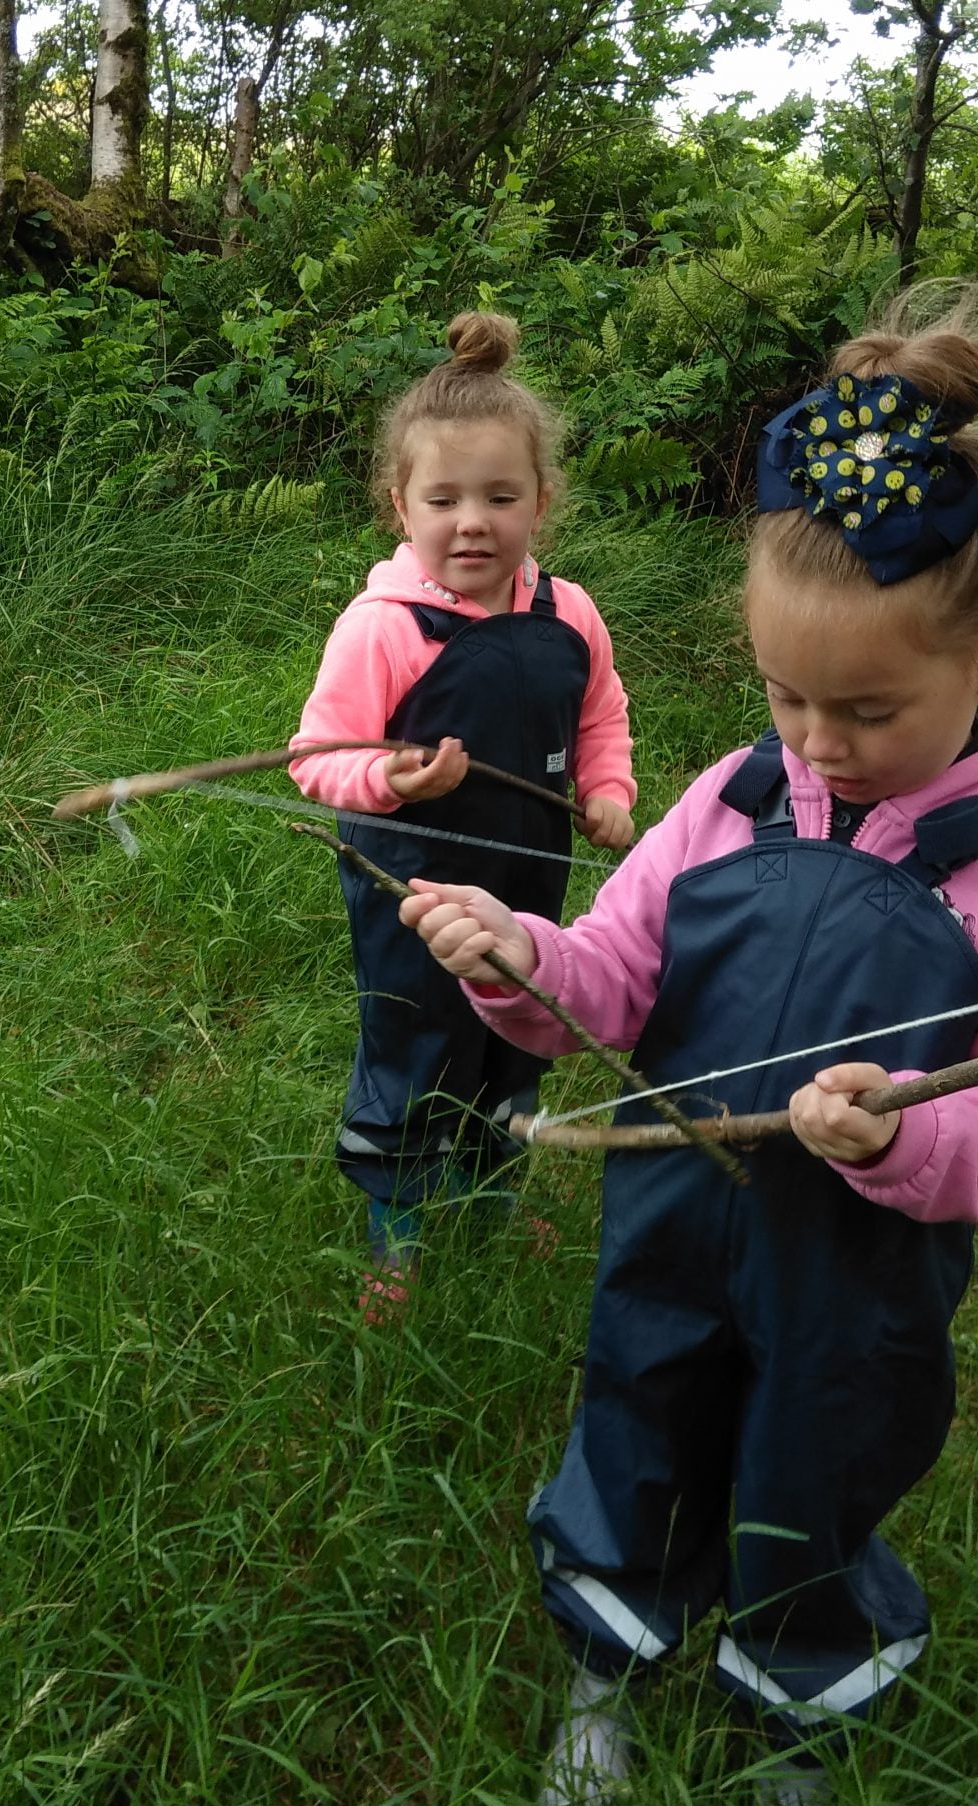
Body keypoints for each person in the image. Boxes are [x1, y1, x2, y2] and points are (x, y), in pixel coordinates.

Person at [400, 295, 978, 1806]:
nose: (821, 742)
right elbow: (616, 972)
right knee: (637, 1426)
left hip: (852, 1271)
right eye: (789, 697)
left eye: (868, 710)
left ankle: (795, 1703)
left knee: (814, 1470)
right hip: (668, 1228)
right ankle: (608, 1671)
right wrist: (527, 959)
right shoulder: (734, 798)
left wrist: (900, 1140)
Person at [291, 311, 638, 1324]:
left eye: (500, 496)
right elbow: (320, 760)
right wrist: (389, 783)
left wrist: (605, 792)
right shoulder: (383, 630)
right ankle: (395, 1223)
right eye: (443, 499)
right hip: (412, 894)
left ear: (542, 501)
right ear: (400, 506)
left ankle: (494, 1186)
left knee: (519, 1032)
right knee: (418, 1041)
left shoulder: (568, 613)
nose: (472, 521)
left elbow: (600, 715)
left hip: (528, 881)